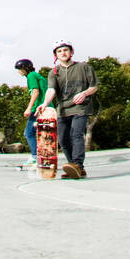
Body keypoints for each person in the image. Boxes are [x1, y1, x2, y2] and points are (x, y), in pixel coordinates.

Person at [38, 42, 98, 179]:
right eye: (59, 51)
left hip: (81, 107)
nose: (63, 53)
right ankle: (74, 168)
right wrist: (45, 103)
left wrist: (84, 93)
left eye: (66, 50)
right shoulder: (54, 72)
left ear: (71, 52)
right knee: (63, 139)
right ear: (56, 55)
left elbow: (94, 87)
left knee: (76, 135)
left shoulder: (84, 67)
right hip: (63, 109)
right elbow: (51, 90)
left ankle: (77, 165)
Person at [16, 58, 47, 166]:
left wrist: (29, 108)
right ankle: (43, 156)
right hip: (47, 107)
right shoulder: (38, 76)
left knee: (28, 133)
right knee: (44, 134)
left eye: (19, 69)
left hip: (38, 109)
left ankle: (34, 157)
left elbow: (35, 91)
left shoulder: (31, 76)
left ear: (25, 68)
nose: (18, 71)